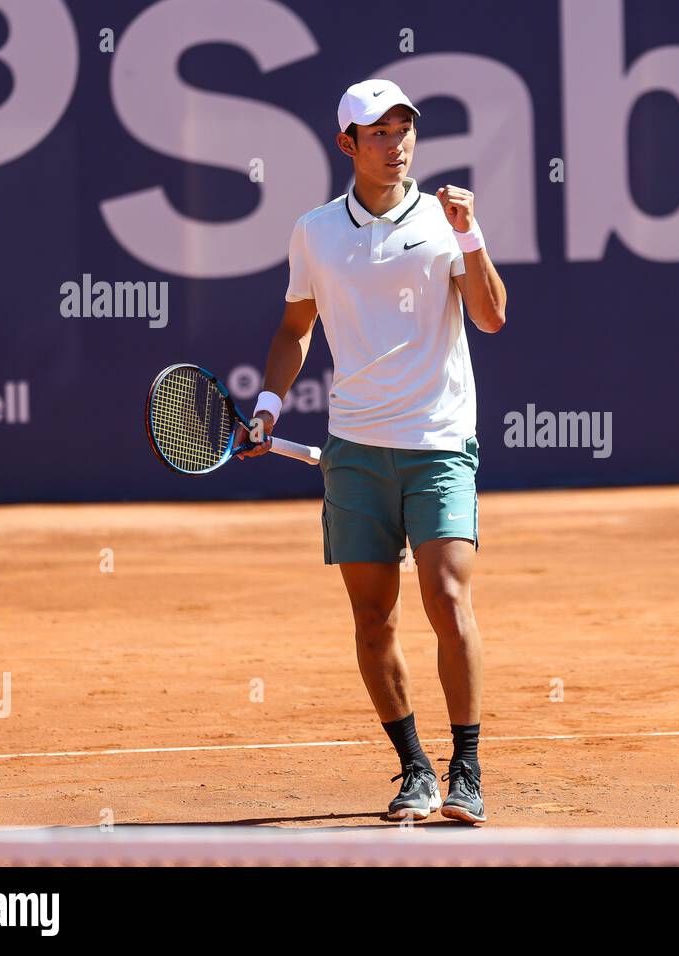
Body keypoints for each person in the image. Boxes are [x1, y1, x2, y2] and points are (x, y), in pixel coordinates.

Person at [235, 78, 507, 824]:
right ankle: (414, 767)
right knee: (372, 618)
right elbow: (295, 330)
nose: (396, 145)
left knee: (448, 598)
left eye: (403, 130)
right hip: (353, 449)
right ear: (347, 144)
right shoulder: (315, 231)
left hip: (438, 443)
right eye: (378, 134)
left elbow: (489, 317)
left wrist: (471, 235)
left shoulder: (447, 221)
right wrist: (266, 408)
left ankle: (468, 768)